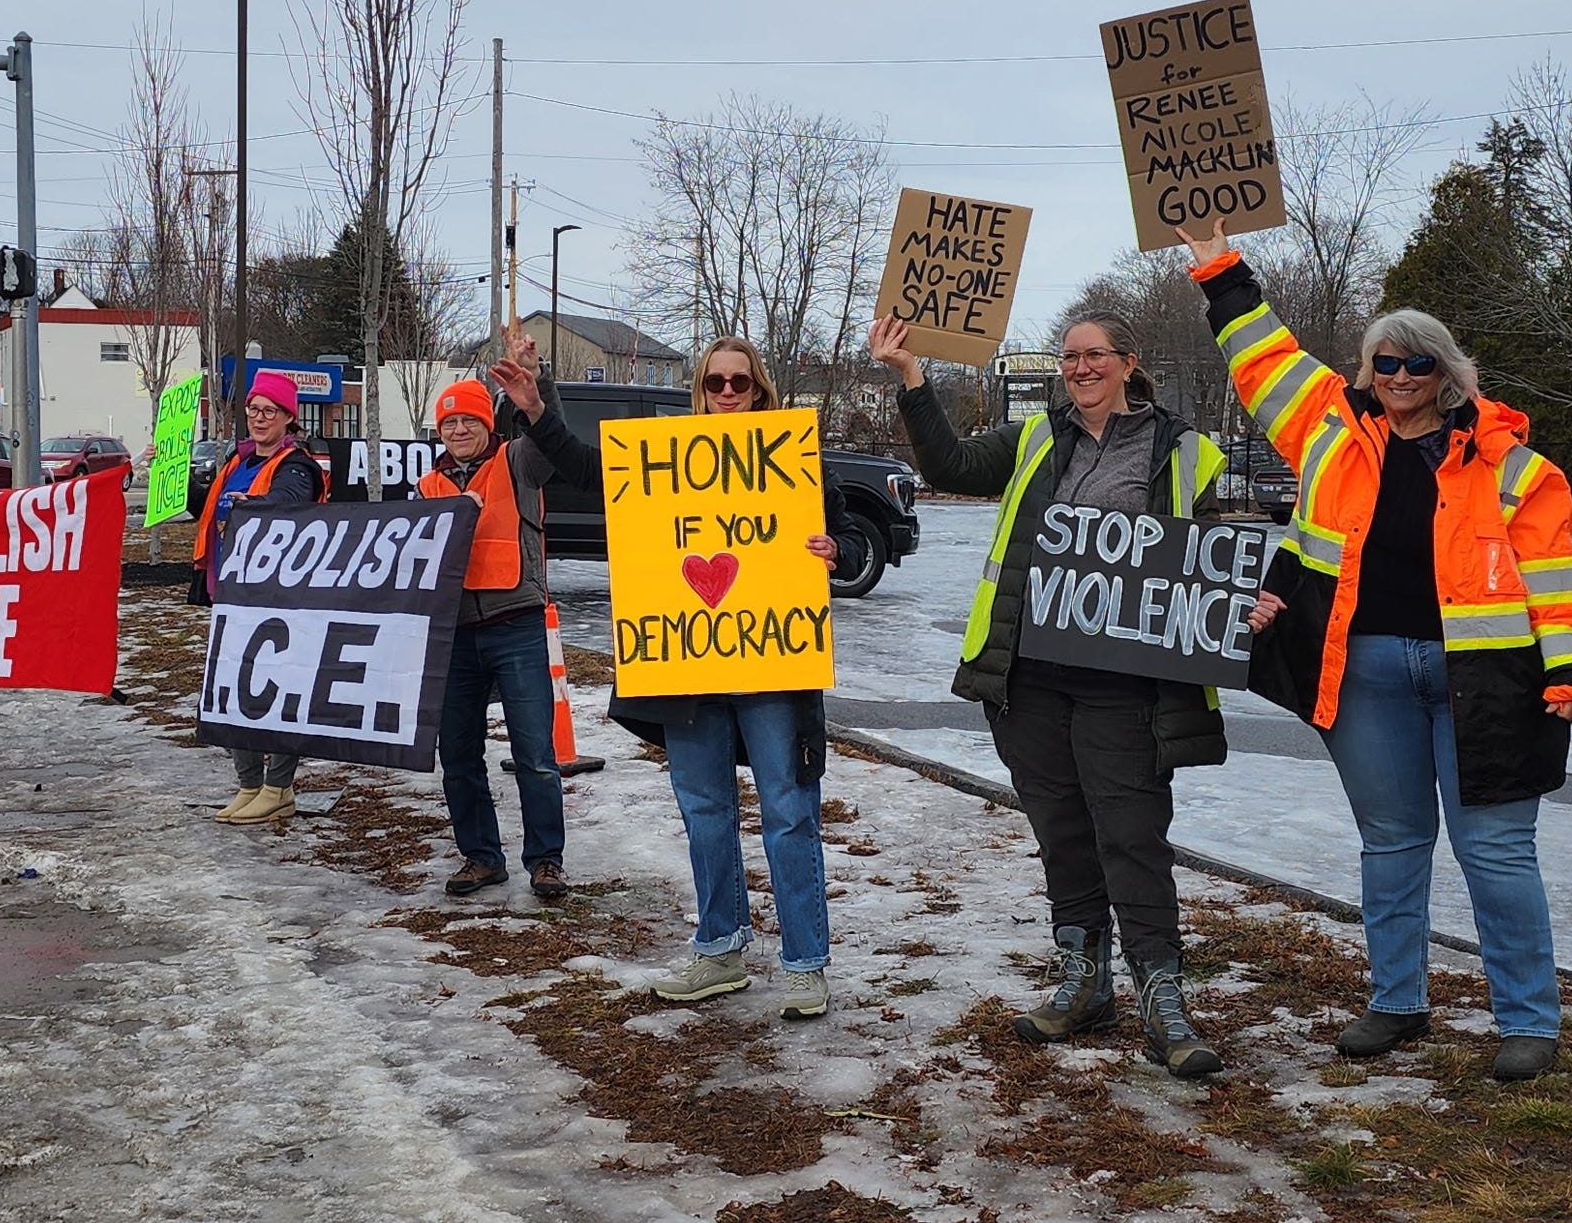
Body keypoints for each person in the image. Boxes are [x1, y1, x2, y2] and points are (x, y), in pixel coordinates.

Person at [1181, 219, 1572, 1083]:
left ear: (1449, 374)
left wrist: (1568, 670)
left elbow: (1551, 582)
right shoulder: (1329, 428)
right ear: (1368, 371)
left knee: (1497, 850)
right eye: (1386, 363)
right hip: (1365, 674)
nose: (1401, 378)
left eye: (1419, 364)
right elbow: (1265, 357)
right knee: (1393, 842)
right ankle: (1398, 1002)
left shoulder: (1518, 468)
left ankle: (1528, 1020)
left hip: (1488, 685)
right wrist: (1222, 270)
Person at [869, 310, 1267, 1079]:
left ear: (1128, 362)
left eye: (1095, 356)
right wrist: (912, 377)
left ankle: (1164, 999)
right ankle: (1084, 982)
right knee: (1063, 833)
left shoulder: (1186, 450)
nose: (1080, 368)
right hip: (1029, 680)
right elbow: (949, 466)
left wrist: (1241, 603)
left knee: (1132, 836)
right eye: (1070, 357)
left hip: (1129, 688)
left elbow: (1212, 550)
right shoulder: (1035, 438)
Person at [494, 336, 866, 1019]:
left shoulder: (795, 461)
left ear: (760, 391)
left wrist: (834, 548)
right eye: (717, 382)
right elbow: (583, 468)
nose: (728, 393)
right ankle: (719, 947)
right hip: (687, 668)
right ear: (701, 389)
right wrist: (536, 405)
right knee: (704, 811)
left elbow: (853, 541)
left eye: (740, 384)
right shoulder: (662, 461)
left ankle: (806, 962)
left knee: (787, 810)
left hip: (772, 666)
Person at [418, 329, 573, 903]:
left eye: (469, 421)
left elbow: (552, 438)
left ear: (489, 424)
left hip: (516, 623)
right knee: (457, 755)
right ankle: (481, 857)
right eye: (449, 424)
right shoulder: (426, 486)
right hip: (454, 634)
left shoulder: (518, 461)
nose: (459, 431)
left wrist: (539, 383)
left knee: (534, 753)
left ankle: (546, 861)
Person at [195, 369, 331, 825]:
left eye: (268, 411)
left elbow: (288, 506)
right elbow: (208, 511)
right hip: (233, 594)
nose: (257, 418)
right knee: (235, 694)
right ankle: (250, 784)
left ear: (288, 418)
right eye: (252, 409)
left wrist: (245, 508)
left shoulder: (296, 466)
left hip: (277, 599)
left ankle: (279, 787)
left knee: (276, 694)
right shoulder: (240, 461)